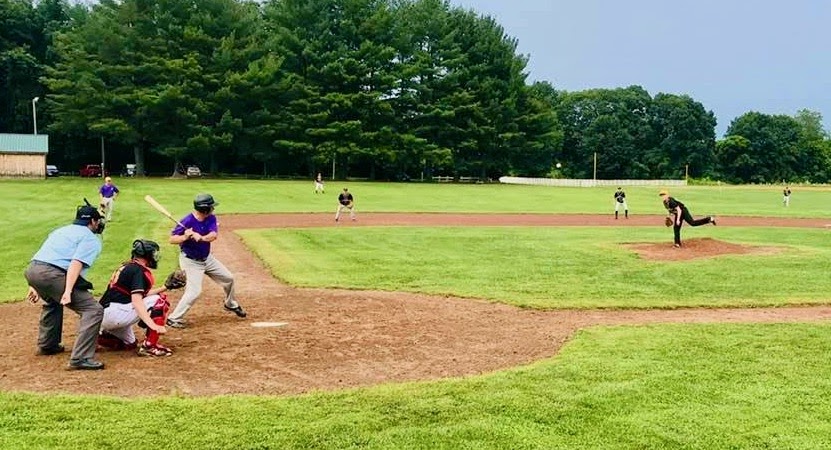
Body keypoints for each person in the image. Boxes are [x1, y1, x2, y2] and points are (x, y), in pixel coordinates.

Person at [24, 204, 106, 370]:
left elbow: (43, 257)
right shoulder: (90, 238)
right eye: (97, 221)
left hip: (33, 270)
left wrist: (35, 285)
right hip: (51, 274)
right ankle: (80, 358)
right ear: (93, 221)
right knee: (93, 310)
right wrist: (67, 291)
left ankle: (48, 345)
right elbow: (76, 264)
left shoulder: (60, 230)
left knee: (52, 302)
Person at [165, 193, 246, 328]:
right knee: (194, 291)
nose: (213, 209)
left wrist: (201, 238)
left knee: (229, 278)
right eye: (211, 207)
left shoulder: (211, 218)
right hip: (190, 262)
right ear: (205, 209)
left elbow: (213, 235)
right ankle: (174, 318)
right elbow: (172, 239)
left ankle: (230, 304)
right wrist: (185, 237)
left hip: (207, 259)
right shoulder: (187, 221)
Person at [97, 240, 178, 357]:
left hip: (105, 315)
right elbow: (137, 301)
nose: (155, 257)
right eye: (153, 253)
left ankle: (99, 337)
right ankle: (150, 346)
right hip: (116, 314)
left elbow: (140, 295)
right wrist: (152, 324)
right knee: (160, 300)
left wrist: (165, 287)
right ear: (147, 255)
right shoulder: (138, 271)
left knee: (130, 344)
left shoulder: (128, 267)